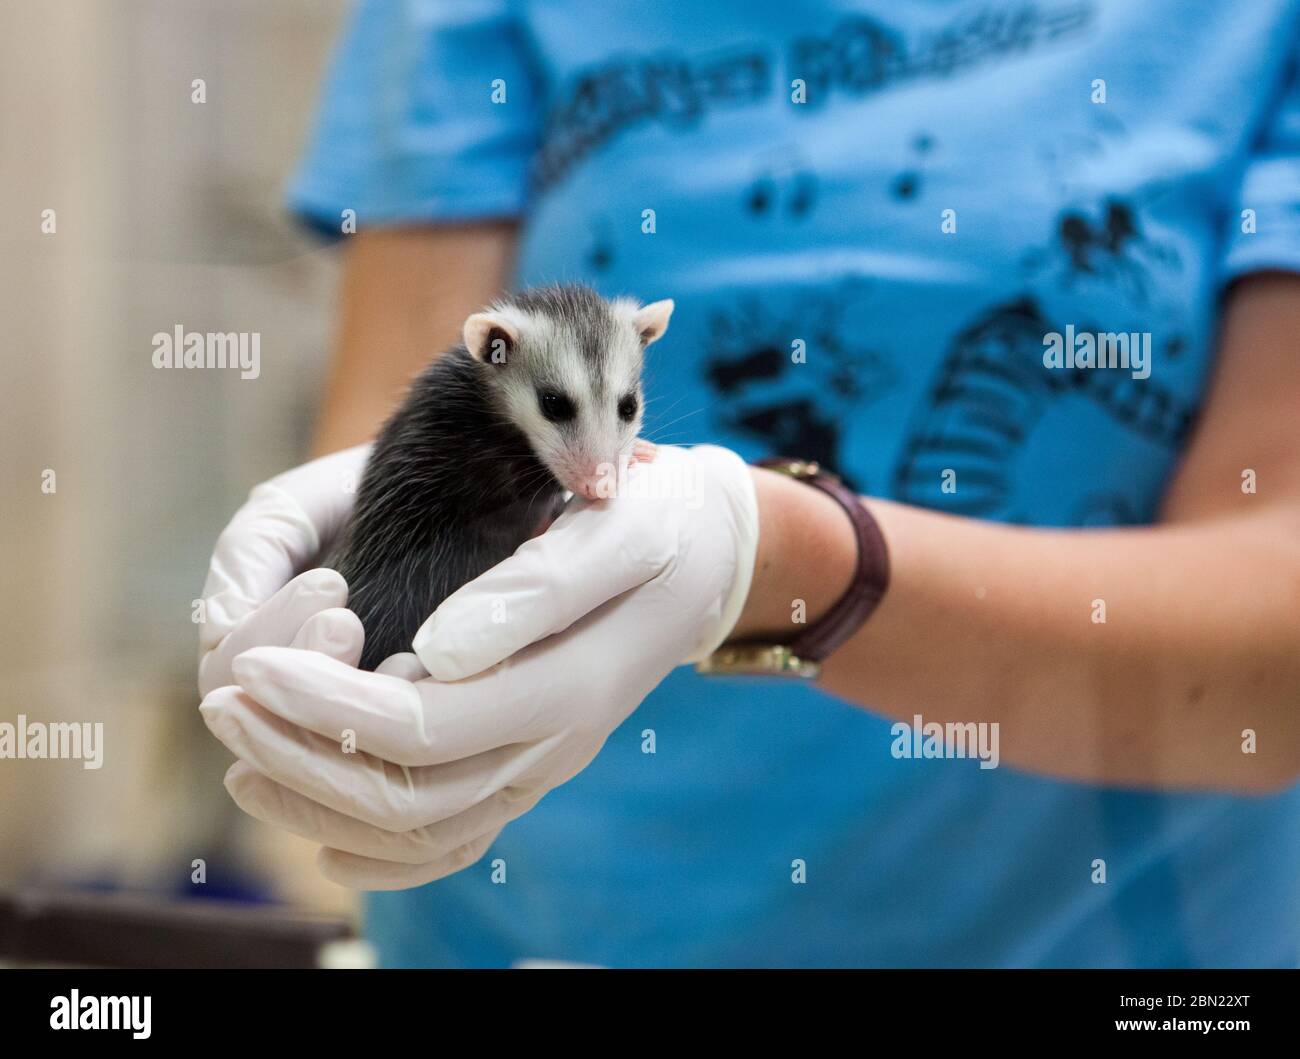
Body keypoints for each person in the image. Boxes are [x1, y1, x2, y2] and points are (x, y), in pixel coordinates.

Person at [198, 1, 1300, 967]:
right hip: (535, 936)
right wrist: (343, 637)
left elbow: (1274, 647)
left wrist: (782, 560)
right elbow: (404, 392)